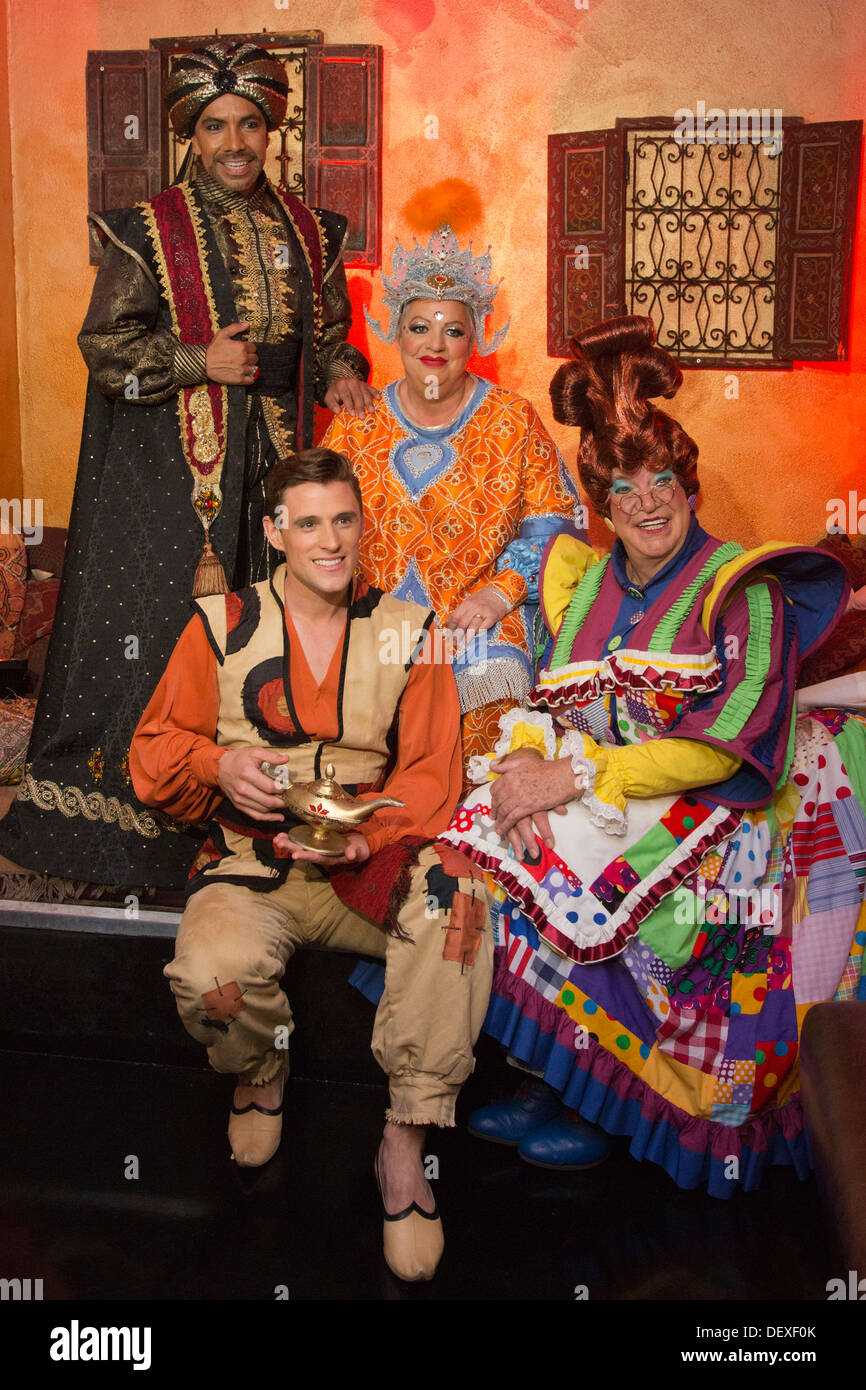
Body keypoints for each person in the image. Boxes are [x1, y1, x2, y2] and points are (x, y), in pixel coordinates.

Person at [440, 315, 866, 1197]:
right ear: (601, 504)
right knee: (478, 833)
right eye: (624, 488)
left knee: (601, 880)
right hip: (613, 795)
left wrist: (578, 778)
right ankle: (552, 1076)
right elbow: (554, 704)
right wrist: (524, 771)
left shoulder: (744, 586)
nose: (646, 502)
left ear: (689, 485)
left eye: (661, 479)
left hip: (725, 808)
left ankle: (601, 1103)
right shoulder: (585, 581)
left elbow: (727, 742)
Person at [0, 40, 373, 890]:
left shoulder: (313, 230)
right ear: (191, 136)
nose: (235, 140)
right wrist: (201, 363)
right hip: (171, 484)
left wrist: (345, 372)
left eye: (250, 123)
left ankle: (253, 812)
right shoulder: (147, 230)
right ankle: (138, 820)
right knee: (168, 636)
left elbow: (328, 335)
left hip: (276, 472)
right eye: (215, 126)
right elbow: (107, 353)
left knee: (265, 634)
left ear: (271, 132)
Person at [128, 448, 493, 1281]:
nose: (330, 541)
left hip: (363, 861)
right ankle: (261, 1069)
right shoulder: (217, 622)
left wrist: (376, 834)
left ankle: (404, 1145)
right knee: (209, 977)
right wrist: (218, 765)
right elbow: (152, 750)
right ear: (273, 531)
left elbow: (434, 769)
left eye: (343, 519)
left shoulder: (412, 629)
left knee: (463, 906)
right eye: (308, 523)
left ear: (362, 524)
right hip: (251, 863)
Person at [321, 224, 582, 771]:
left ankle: (468, 839)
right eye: (419, 327)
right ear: (396, 331)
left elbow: (557, 527)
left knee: (490, 711)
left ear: (476, 339)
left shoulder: (512, 420)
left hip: (477, 621)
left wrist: (499, 595)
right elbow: (316, 528)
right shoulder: (357, 423)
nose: (434, 346)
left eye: (453, 331)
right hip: (372, 619)